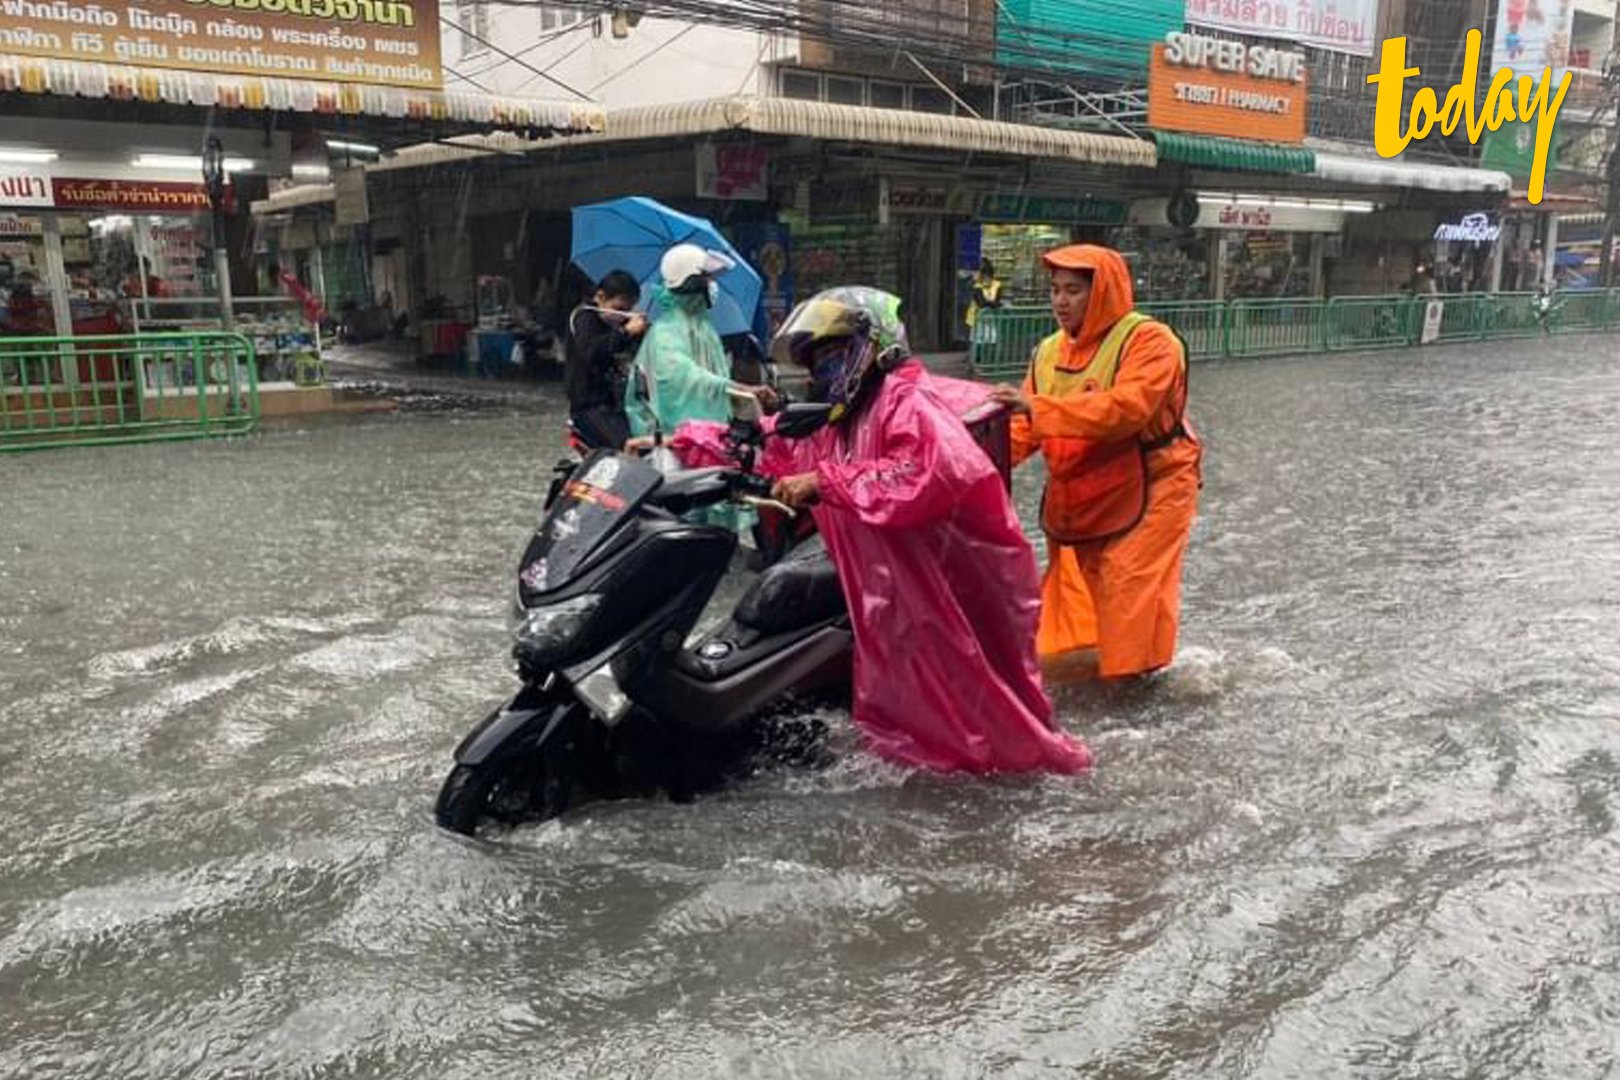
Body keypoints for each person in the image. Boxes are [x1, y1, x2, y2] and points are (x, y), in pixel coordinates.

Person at [767, 287, 1092, 774]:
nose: (826, 374)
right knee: (912, 720)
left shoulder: (908, 402)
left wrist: (825, 481)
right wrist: (690, 444)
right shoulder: (842, 419)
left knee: (991, 719)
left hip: (956, 585)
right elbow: (784, 446)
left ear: (873, 346)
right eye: (818, 364)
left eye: (836, 357)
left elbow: (928, 473)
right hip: (899, 595)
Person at [987, 244, 1202, 681]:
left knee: (1129, 587)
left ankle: (1135, 687)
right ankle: (1118, 674)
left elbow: (1127, 408)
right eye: (1055, 291)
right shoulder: (1048, 351)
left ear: (1101, 292)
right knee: (1095, 592)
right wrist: (964, 463)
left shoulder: (1151, 341)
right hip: (1086, 493)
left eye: (1073, 291)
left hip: (1155, 483)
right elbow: (1024, 431)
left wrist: (1036, 409)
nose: (1060, 302)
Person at [624, 243, 774, 439]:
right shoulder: (666, 331)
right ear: (691, 283)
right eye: (707, 278)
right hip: (676, 440)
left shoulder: (703, 326)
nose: (712, 285)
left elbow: (714, 374)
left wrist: (740, 393)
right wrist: (738, 388)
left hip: (708, 435)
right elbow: (684, 377)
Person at [565, 269, 646, 450]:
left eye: (629, 310)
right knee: (628, 446)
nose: (623, 315)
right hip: (589, 405)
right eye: (619, 309)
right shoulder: (583, 317)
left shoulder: (615, 323)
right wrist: (625, 332)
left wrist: (641, 332)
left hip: (615, 401)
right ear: (600, 297)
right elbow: (591, 351)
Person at [965, 257, 1004, 343]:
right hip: (977, 318)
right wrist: (992, 304)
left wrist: (991, 303)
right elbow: (981, 303)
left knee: (990, 338)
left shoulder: (997, 285)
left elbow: (997, 301)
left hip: (990, 318)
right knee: (977, 339)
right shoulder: (977, 286)